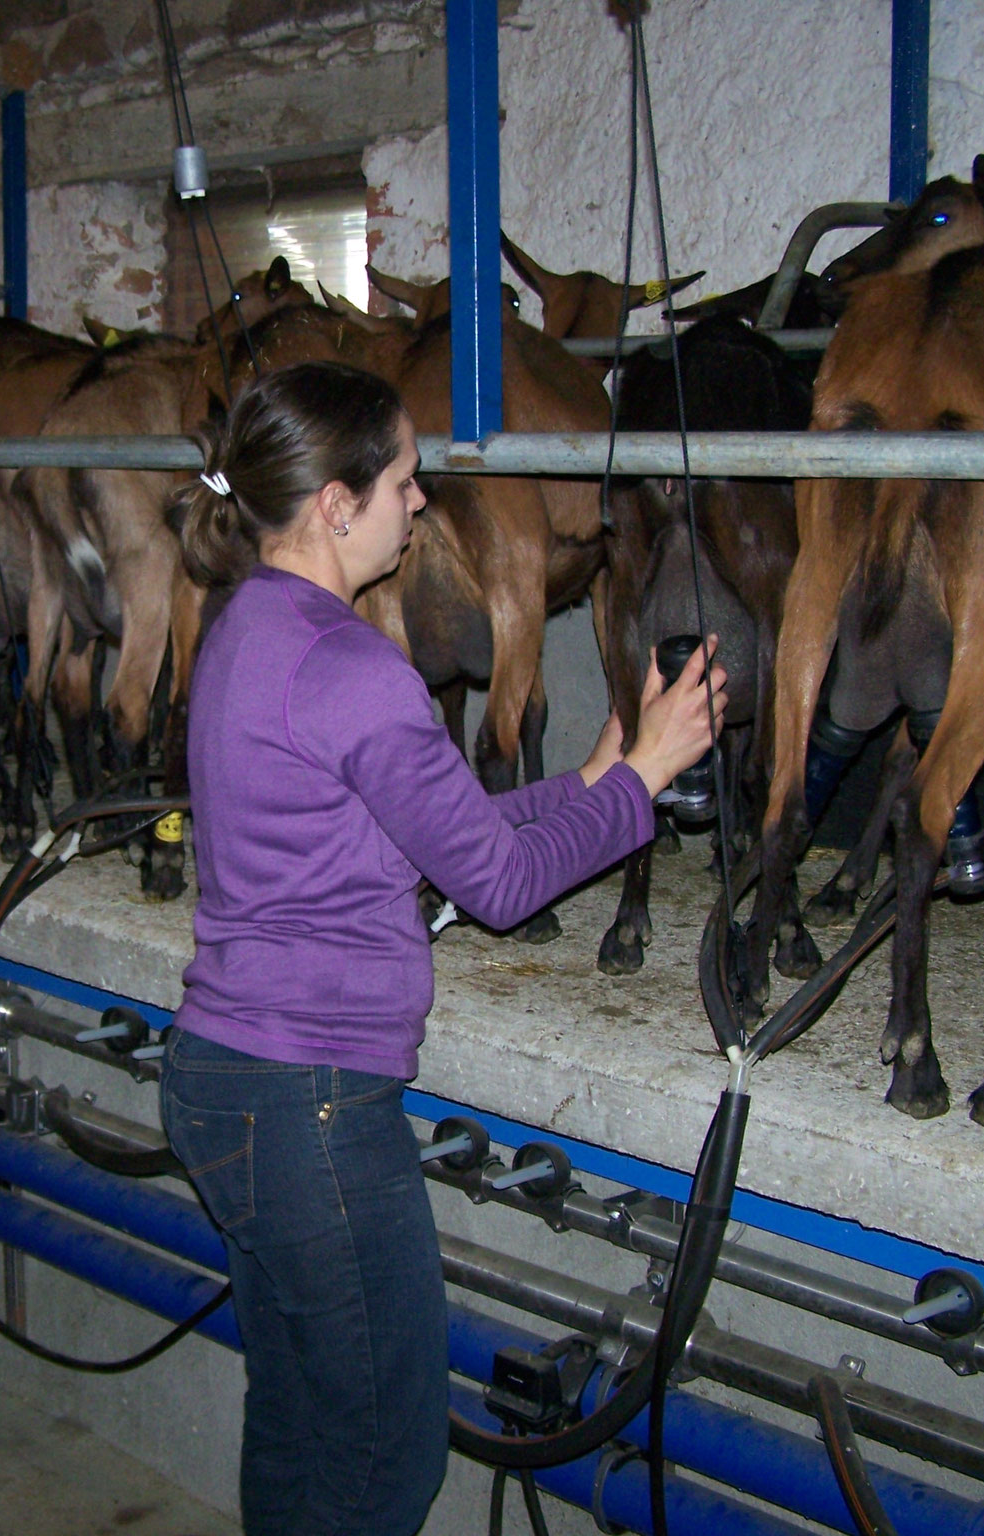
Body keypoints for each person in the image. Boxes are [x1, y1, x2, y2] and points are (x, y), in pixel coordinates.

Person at [157, 361, 724, 1536]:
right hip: (311, 1106)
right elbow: (499, 884)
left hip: (221, 1080)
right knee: (383, 1463)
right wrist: (648, 785)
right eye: (406, 482)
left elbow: (434, 835)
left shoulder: (245, 626)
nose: (420, 506)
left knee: (300, 1426)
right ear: (335, 503)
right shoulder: (353, 664)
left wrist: (589, 783)